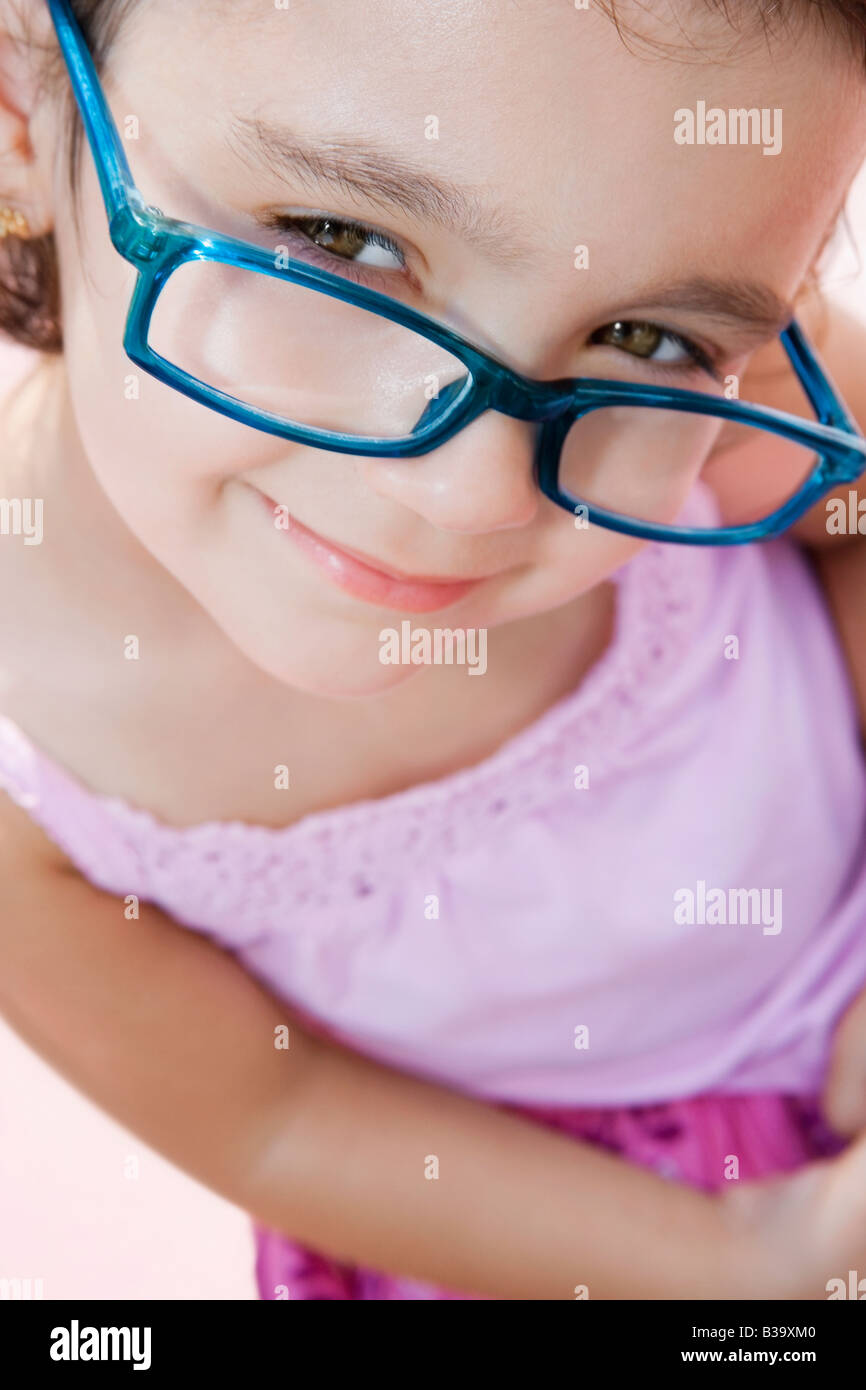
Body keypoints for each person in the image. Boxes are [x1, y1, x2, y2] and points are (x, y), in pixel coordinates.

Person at [2, 0, 866, 1299]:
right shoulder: (30, 778)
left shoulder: (757, 412)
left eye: (649, 339)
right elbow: (271, 1113)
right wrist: (754, 1254)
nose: (473, 493)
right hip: (581, 1234)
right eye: (341, 245)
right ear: (21, 101)